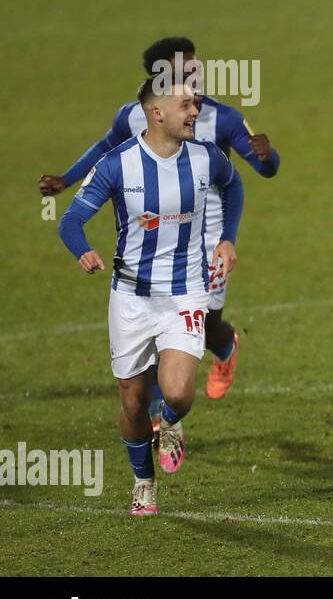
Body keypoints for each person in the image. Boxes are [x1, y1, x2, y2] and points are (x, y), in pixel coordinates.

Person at [40, 37, 278, 416]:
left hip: (207, 239)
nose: (195, 76)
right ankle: (159, 418)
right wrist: (67, 180)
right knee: (152, 332)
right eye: (184, 71)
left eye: (196, 67)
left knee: (205, 324)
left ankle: (225, 344)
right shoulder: (133, 116)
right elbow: (104, 150)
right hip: (150, 239)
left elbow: (260, 170)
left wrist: (267, 155)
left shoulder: (223, 117)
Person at [58, 78, 243, 514]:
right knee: (133, 400)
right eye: (185, 105)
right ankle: (144, 482)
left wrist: (227, 238)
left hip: (185, 292)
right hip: (131, 299)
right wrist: (82, 250)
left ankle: (173, 423)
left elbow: (234, 186)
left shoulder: (206, 157)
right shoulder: (117, 164)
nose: (195, 111)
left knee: (176, 392)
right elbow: (70, 220)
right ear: (157, 114)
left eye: (195, 103)